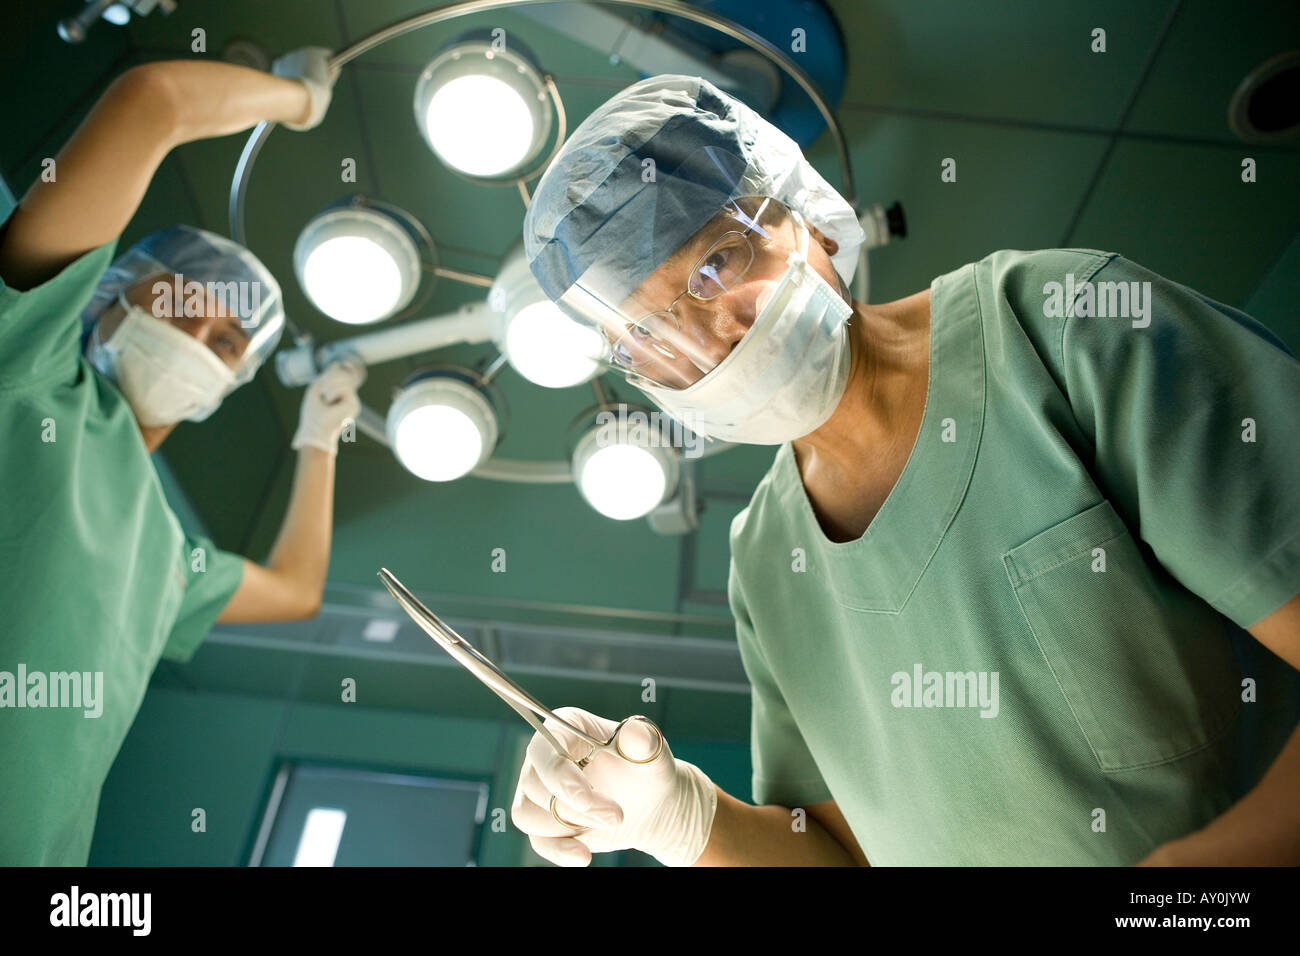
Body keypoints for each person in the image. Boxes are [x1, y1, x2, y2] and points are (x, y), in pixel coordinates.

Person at [510, 74, 1300, 866]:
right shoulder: (764, 562)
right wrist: (682, 821)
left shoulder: (1062, 332)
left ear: (803, 213)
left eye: (721, 260)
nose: (714, 336)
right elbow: (837, 853)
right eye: (657, 332)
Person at [0, 50, 358, 865]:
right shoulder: (24, 371)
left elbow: (298, 590)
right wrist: (300, 98)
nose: (197, 339)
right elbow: (152, 100)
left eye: (226, 339)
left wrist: (318, 438)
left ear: (234, 378)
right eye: (175, 301)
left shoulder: (167, 558)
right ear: (108, 293)